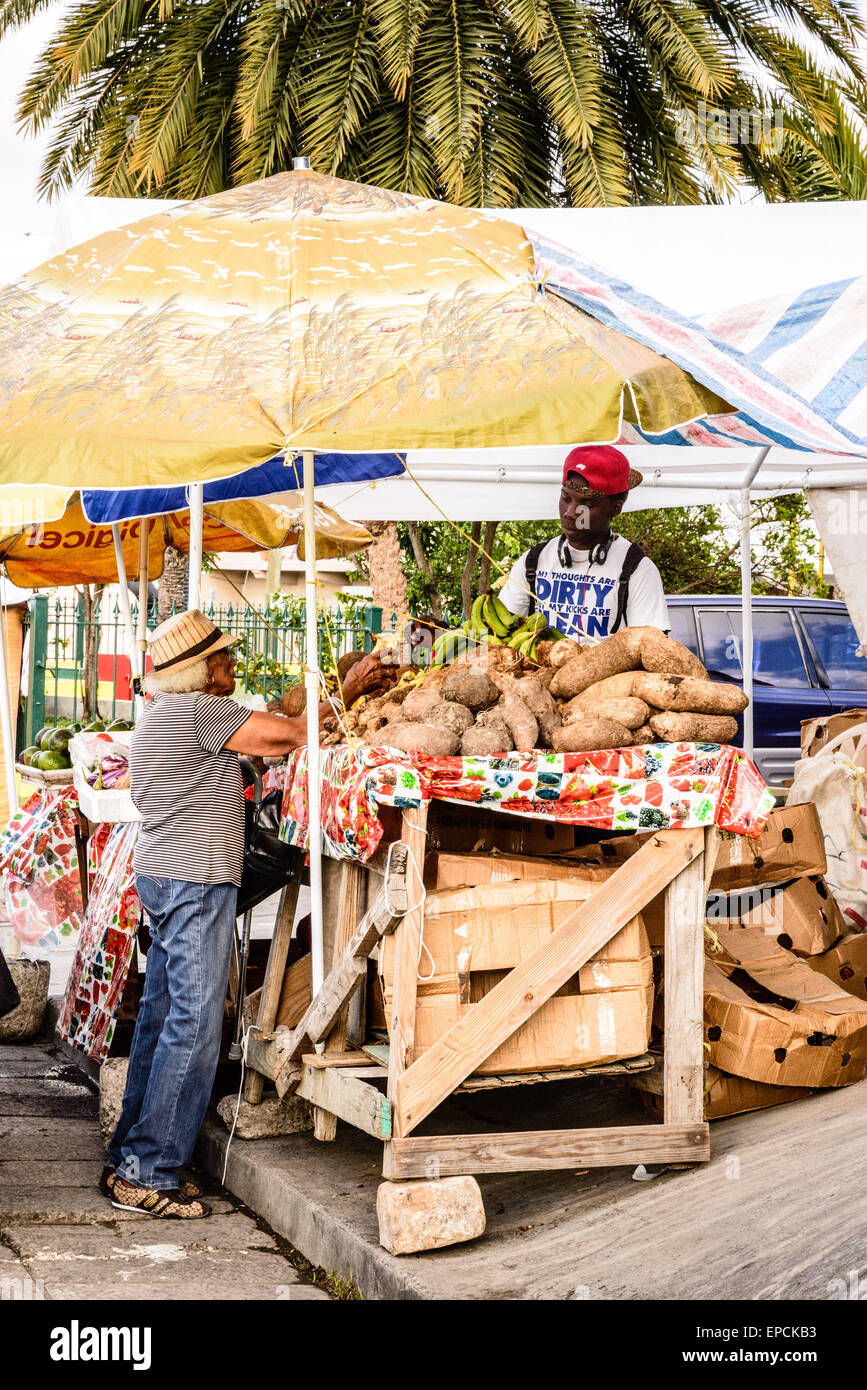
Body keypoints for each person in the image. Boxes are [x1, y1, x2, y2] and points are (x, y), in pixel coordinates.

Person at [105, 609, 382, 1219]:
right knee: (195, 1025)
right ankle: (148, 1170)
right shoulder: (198, 713)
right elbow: (290, 733)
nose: (233, 665)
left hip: (171, 877)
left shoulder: (173, 714)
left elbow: (279, 720)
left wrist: (328, 680)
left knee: (161, 1018)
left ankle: (131, 1155)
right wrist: (349, 691)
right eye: (224, 658)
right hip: (192, 882)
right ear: (201, 671)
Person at [498, 445, 669, 645]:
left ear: (615, 509)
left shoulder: (638, 569)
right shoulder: (533, 561)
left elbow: (653, 649)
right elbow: (501, 632)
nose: (570, 513)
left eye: (585, 504)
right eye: (565, 498)